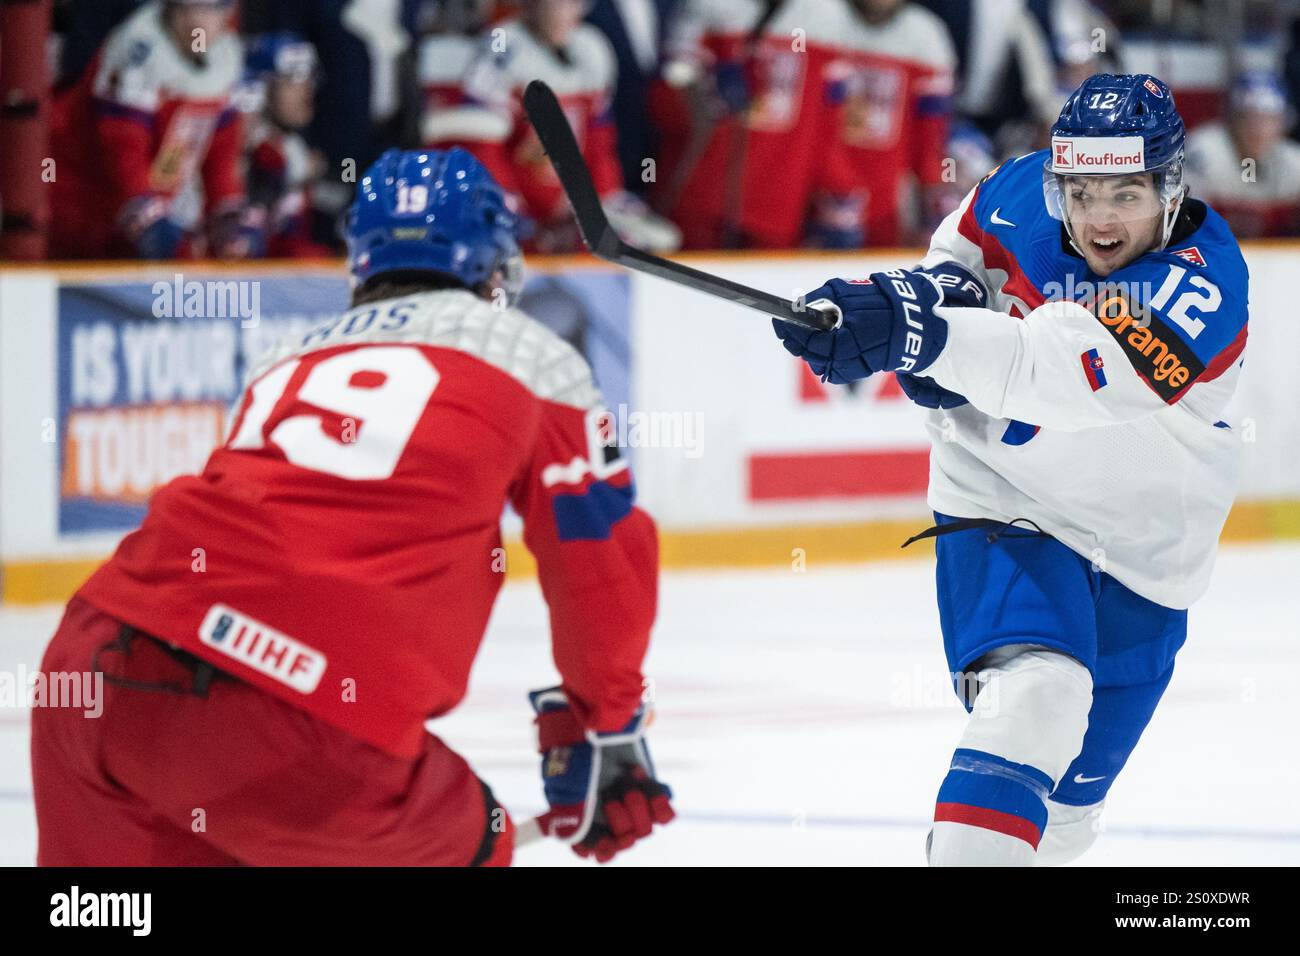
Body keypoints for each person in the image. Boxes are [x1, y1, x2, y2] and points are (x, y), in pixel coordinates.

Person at [31, 148, 674, 866]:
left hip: (90, 664)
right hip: (291, 717)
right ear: (495, 260)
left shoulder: (293, 357)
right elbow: (600, 561)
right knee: (470, 843)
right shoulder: (533, 357)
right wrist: (609, 729)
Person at [774, 73, 1248, 865]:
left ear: (1171, 190)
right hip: (1001, 500)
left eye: (1126, 194)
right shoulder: (1011, 195)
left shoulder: (1203, 284)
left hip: (1147, 559)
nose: (1099, 219)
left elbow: (1067, 374)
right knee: (1037, 698)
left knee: (1060, 829)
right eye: (1081, 191)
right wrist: (920, 299)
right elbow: (956, 265)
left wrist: (927, 338)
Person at [654, 0, 954, 249]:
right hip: (701, 197)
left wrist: (838, 191)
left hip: (780, 206)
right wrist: (698, 88)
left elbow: (830, 125)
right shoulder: (711, 6)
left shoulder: (826, 15)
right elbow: (664, 97)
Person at [422, 0, 681, 253]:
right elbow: (481, 148)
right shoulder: (502, 49)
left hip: (565, 209)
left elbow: (599, 141)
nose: (569, 11)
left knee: (643, 240)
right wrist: (513, 212)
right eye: (558, 3)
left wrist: (603, 200)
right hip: (518, 205)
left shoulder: (591, 48)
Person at [48, 0, 261, 260]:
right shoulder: (137, 48)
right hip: (78, 199)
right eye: (207, 8)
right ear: (178, 10)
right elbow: (123, 147)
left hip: (143, 206)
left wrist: (226, 210)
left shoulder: (225, 55)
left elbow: (221, 149)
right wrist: (144, 208)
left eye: (222, 8)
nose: (218, 19)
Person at [241, 33, 332, 258]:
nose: (306, 90)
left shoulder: (294, 145)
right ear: (262, 88)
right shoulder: (251, 147)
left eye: (310, 77)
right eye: (292, 79)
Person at [1184, 71, 1300, 239]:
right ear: (1231, 120)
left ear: (1283, 123)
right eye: (1248, 117)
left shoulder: (1293, 159)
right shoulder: (1203, 151)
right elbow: (1185, 218)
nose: (1257, 129)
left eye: (1268, 119)